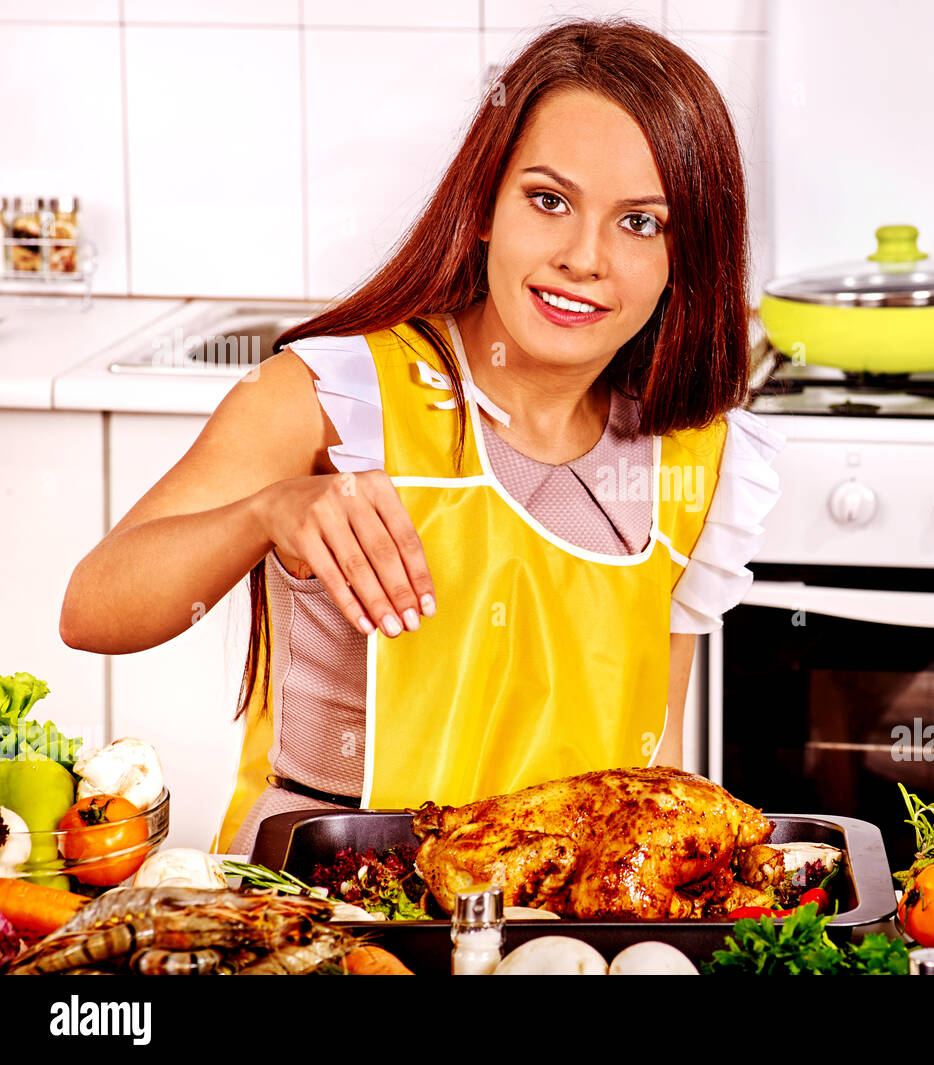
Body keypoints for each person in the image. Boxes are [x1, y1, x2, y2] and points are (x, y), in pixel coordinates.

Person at [59, 18, 782, 855]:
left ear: (684, 255)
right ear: (484, 207)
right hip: (325, 911)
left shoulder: (694, 458)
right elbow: (93, 609)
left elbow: (655, 764)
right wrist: (267, 511)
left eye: (641, 223)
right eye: (549, 201)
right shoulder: (332, 397)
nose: (585, 257)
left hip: (560, 929)